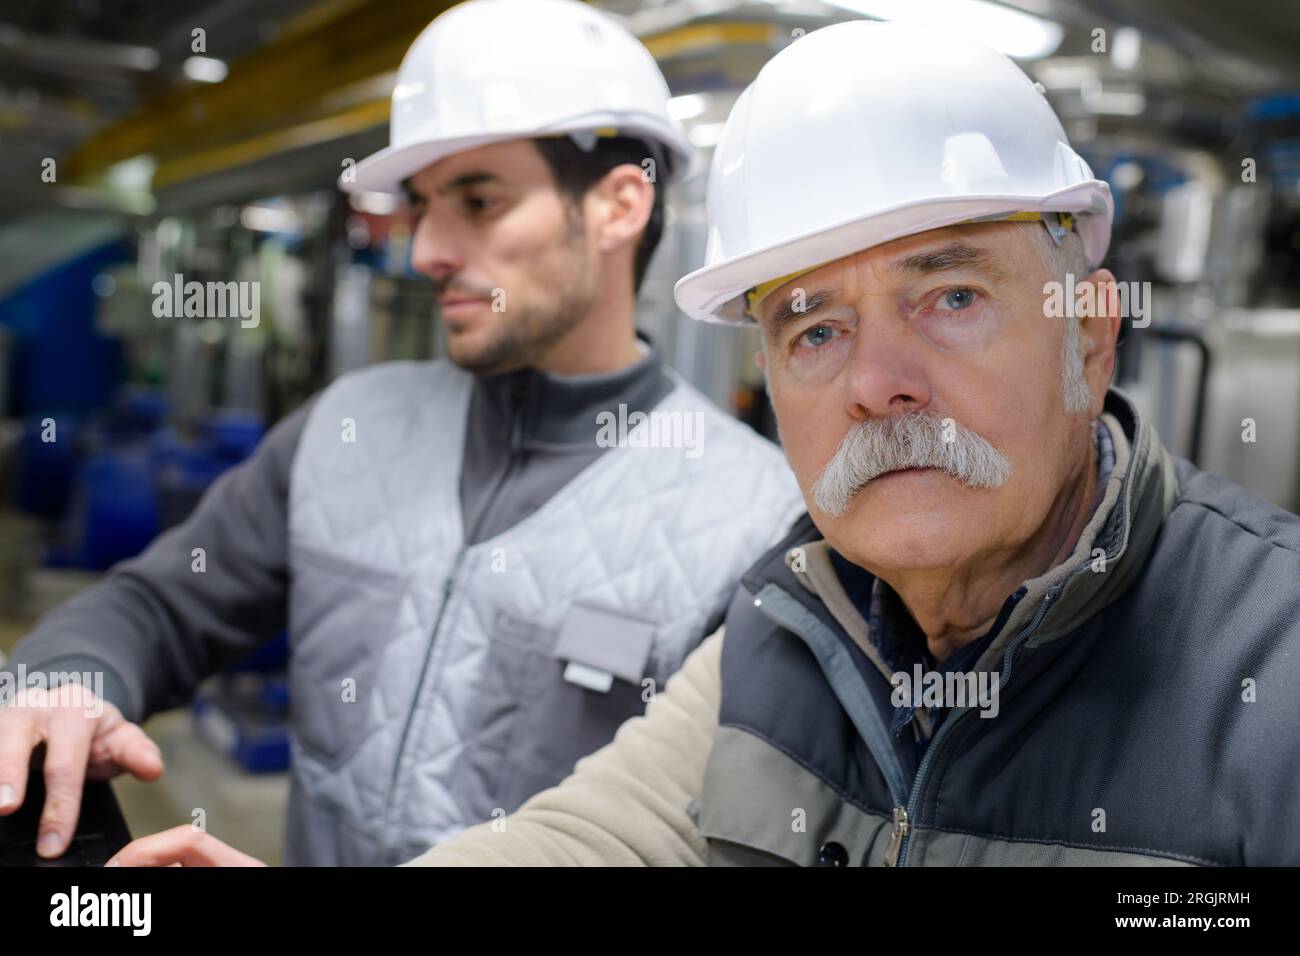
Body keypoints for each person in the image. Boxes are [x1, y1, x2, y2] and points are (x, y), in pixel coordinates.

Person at [112, 17, 1300, 870]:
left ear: (1090, 338)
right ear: (770, 381)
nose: (881, 384)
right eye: (816, 326)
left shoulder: (1271, 674)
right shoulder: (787, 625)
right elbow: (592, 834)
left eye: (949, 298)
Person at [0, 0, 803, 866]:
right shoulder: (348, 427)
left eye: (478, 199)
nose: (425, 251)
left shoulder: (757, 522)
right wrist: (64, 683)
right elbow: (156, 605)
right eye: (422, 204)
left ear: (618, 207)